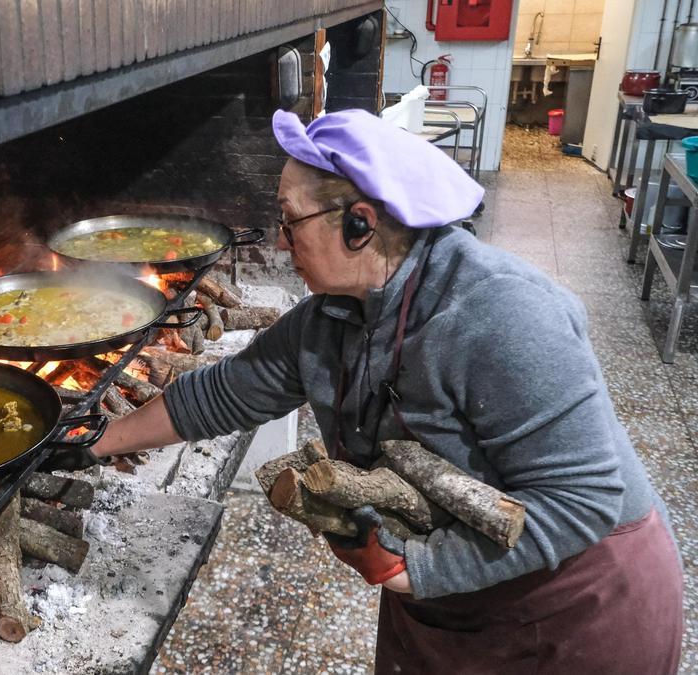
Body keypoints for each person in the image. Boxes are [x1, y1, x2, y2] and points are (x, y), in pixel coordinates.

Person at [84, 109, 684, 672]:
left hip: (571, 602)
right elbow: (223, 393)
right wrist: (92, 443)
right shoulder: (333, 314)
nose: (278, 243)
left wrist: (415, 569)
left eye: (290, 222)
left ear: (360, 224)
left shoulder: (502, 314)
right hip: (448, 600)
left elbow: (581, 500)